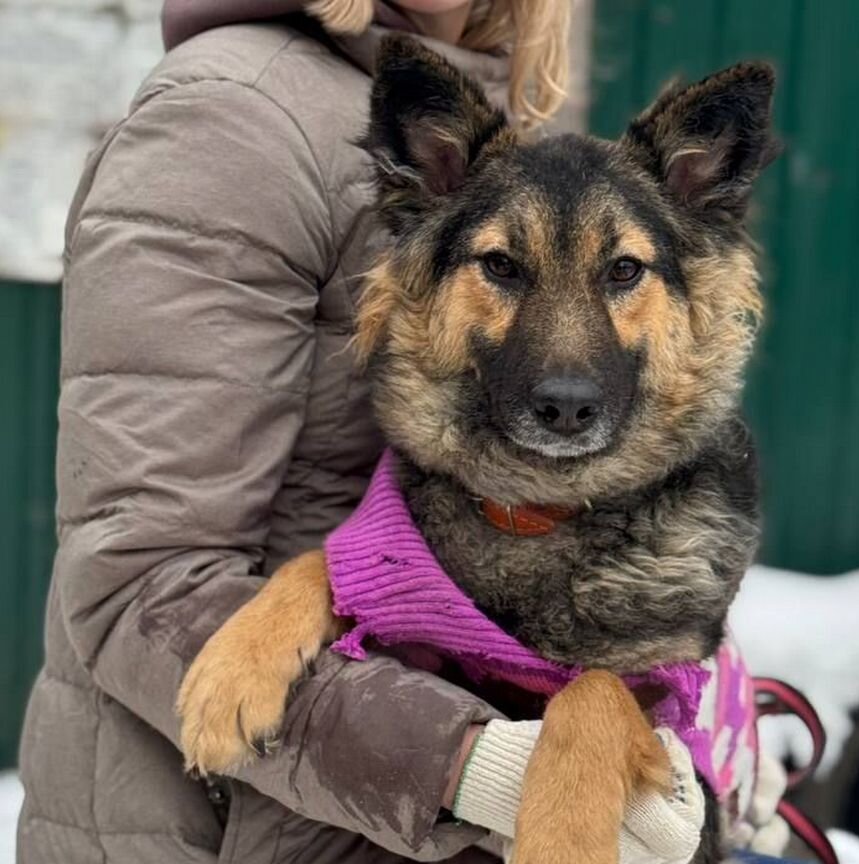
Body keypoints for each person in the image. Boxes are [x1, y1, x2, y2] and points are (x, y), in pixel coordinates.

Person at [16, 2, 784, 863]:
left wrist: (702, 714)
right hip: (236, 830)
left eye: (623, 274)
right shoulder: (227, 118)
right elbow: (139, 577)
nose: (568, 382)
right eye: (502, 267)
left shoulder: (516, 121)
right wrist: (471, 765)